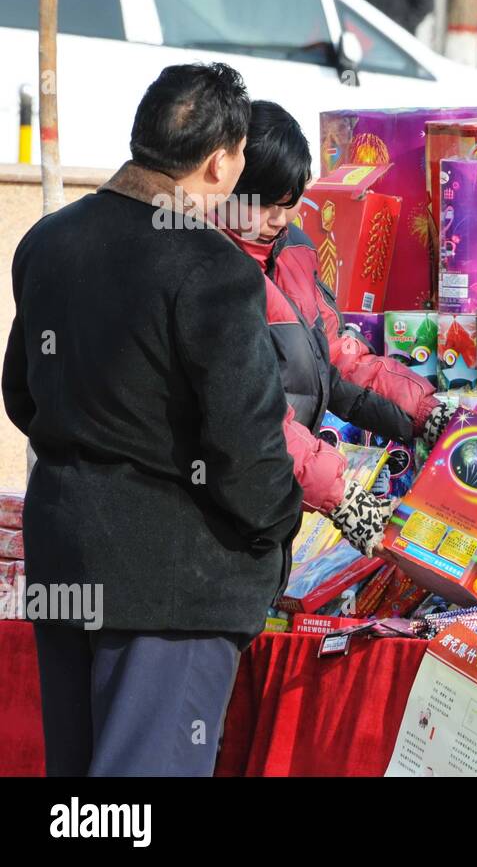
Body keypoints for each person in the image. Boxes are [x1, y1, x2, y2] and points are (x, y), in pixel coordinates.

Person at [2, 63, 303, 776]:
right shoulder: (214, 268)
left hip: (67, 557)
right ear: (221, 161)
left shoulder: (49, 239)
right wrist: (278, 525)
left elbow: (21, 393)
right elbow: (248, 448)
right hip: (172, 585)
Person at [220, 101, 453, 530]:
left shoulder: (294, 248)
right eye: (263, 204)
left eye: (288, 202)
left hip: (276, 503)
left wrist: (429, 412)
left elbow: (335, 356)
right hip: (226, 503)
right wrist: (341, 495)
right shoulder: (209, 273)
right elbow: (252, 416)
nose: (277, 219)